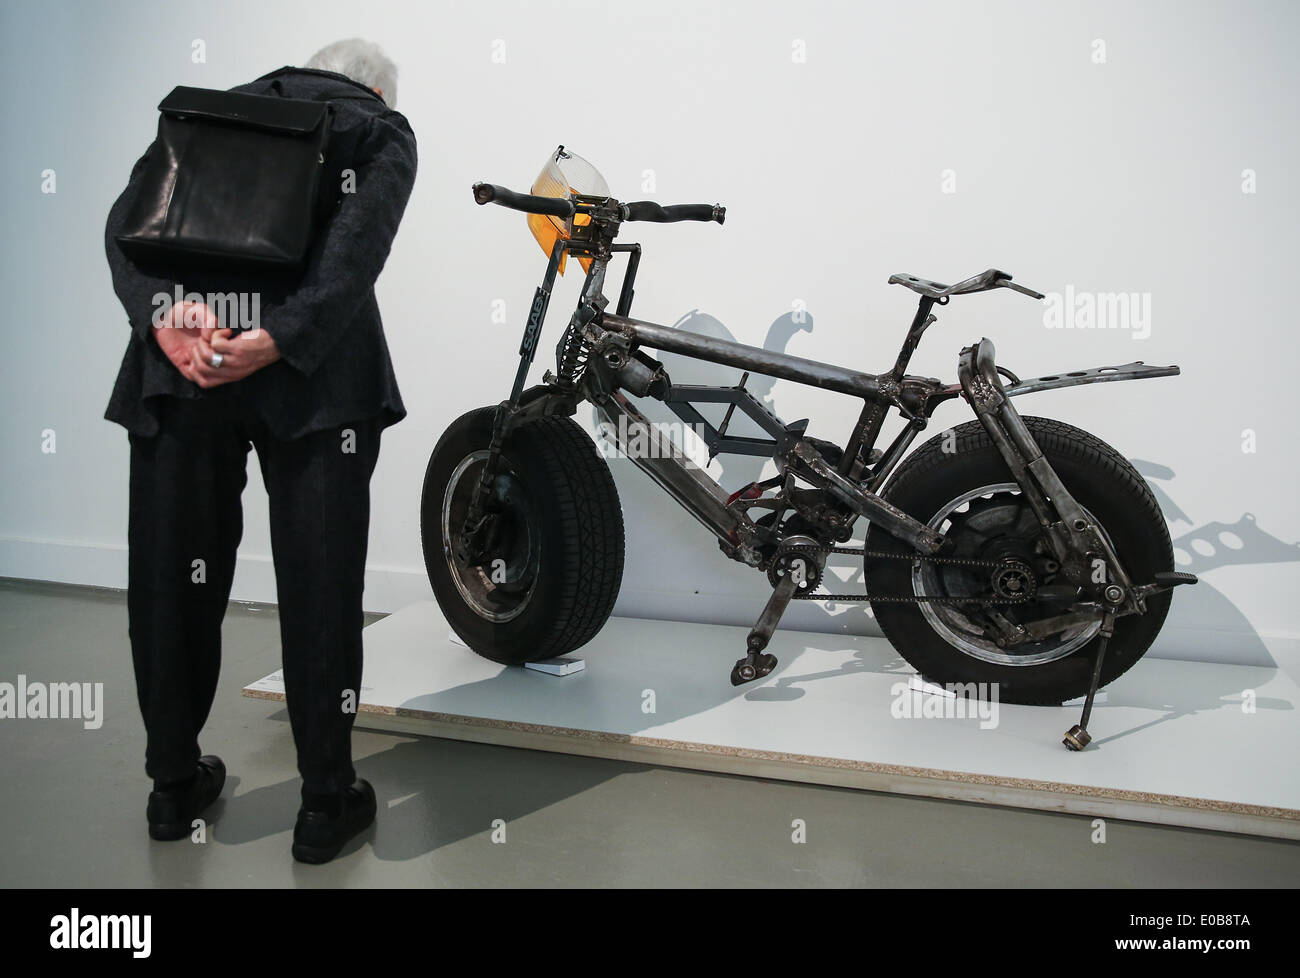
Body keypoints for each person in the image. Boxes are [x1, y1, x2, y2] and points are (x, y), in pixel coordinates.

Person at [103, 39, 417, 863]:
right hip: (318, 387)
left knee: (170, 577)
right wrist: (278, 337)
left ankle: (172, 787)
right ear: (377, 90)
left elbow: (125, 228)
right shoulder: (378, 128)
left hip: (184, 366)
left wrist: (165, 315)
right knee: (321, 585)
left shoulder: (206, 111)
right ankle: (324, 805)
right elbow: (357, 250)